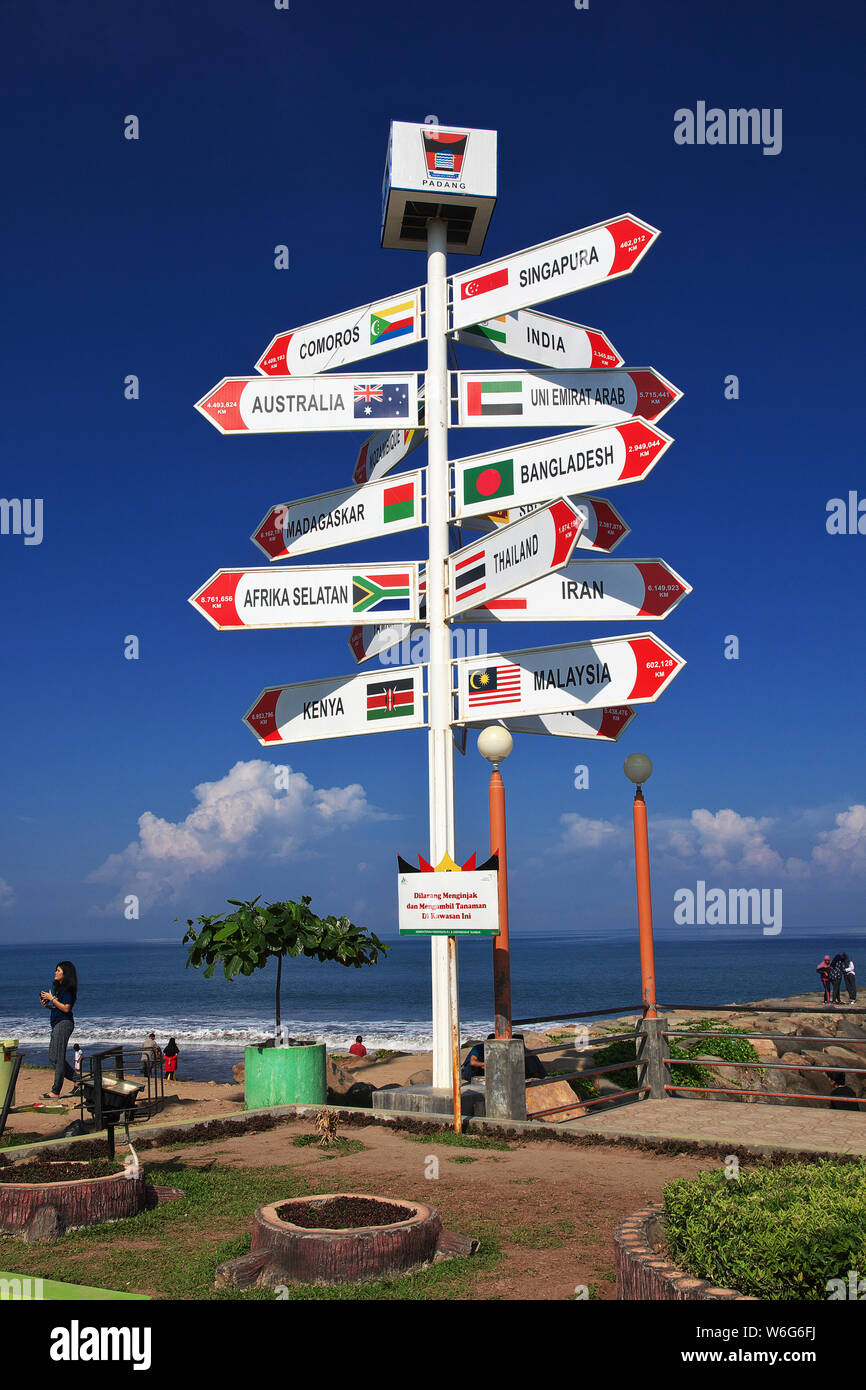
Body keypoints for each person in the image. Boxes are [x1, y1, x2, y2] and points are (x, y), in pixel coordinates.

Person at [40, 961, 78, 1098]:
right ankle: (78, 1080)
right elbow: (59, 1008)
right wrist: (48, 1004)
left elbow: (67, 1008)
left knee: (59, 1057)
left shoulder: (68, 989)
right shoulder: (59, 989)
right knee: (53, 1058)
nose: (55, 972)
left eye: (58, 970)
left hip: (64, 1023)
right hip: (57, 1023)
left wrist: (52, 999)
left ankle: (55, 1090)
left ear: (65, 974)